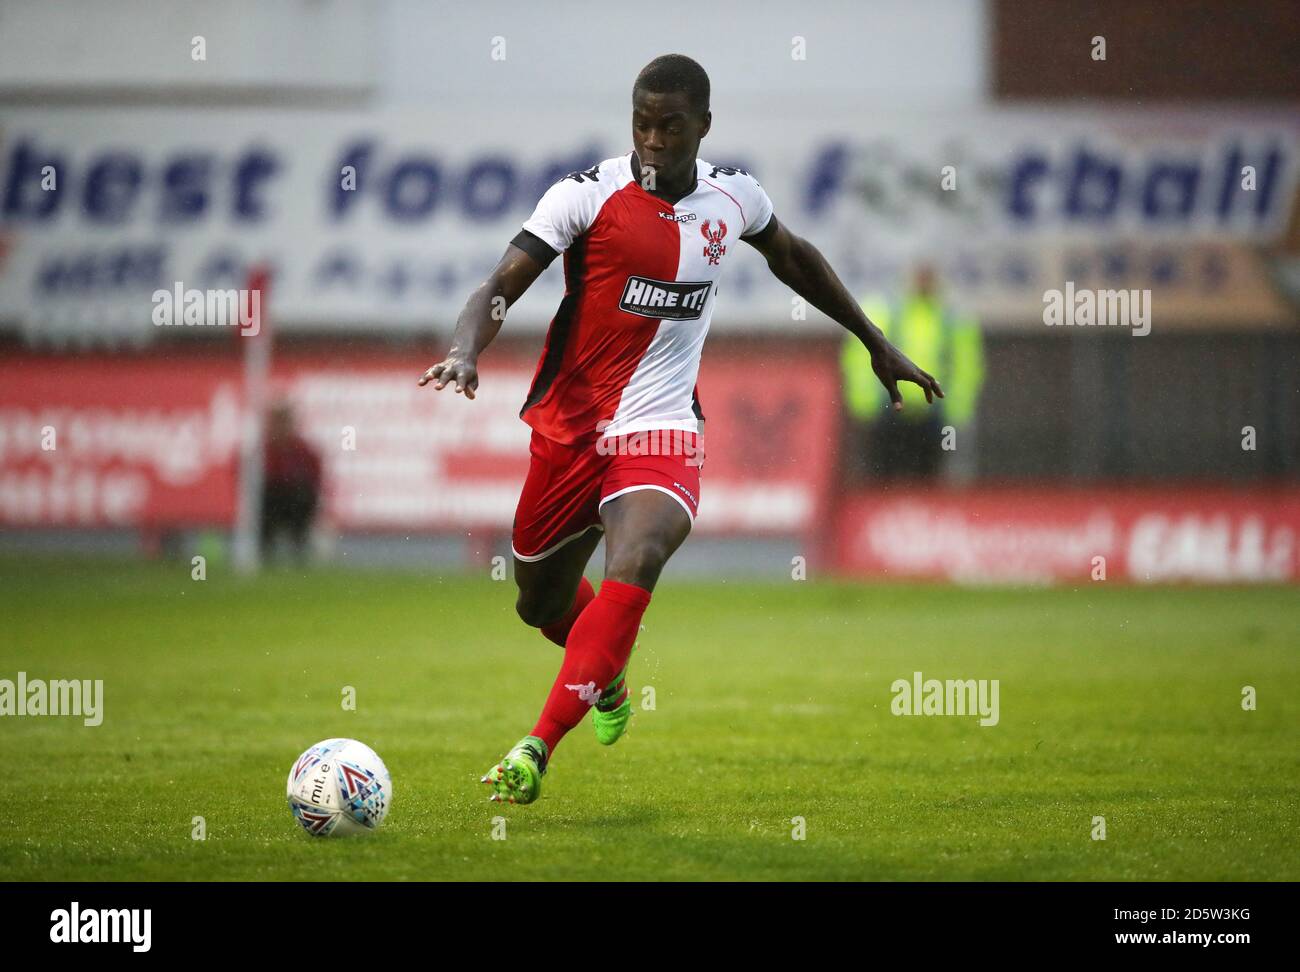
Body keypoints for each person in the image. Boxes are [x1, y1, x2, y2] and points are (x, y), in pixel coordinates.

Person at [418, 54, 942, 804]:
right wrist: (465, 350)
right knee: (538, 602)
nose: (653, 140)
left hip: (662, 429)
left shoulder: (734, 197)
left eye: (670, 126)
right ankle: (607, 672)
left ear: (704, 125)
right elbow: (499, 285)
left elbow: (794, 258)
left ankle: (535, 749)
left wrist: (873, 340)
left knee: (636, 558)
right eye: (642, 124)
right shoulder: (585, 196)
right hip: (570, 430)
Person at [841, 264, 983, 481]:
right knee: (882, 475)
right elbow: (860, 360)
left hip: (934, 412)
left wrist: (956, 408)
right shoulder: (884, 312)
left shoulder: (954, 320)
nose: (923, 282)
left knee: (930, 476)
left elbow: (967, 368)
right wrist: (866, 404)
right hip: (888, 409)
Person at [260, 401, 322, 564]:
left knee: (302, 496)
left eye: (285, 421)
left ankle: (299, 552)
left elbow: (315, 479)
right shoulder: (262, 451)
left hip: (295, 503)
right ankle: (265, 554)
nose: (281, 427)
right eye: (278, 421)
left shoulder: (303, 451)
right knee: (263, 500)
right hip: (270, 502)